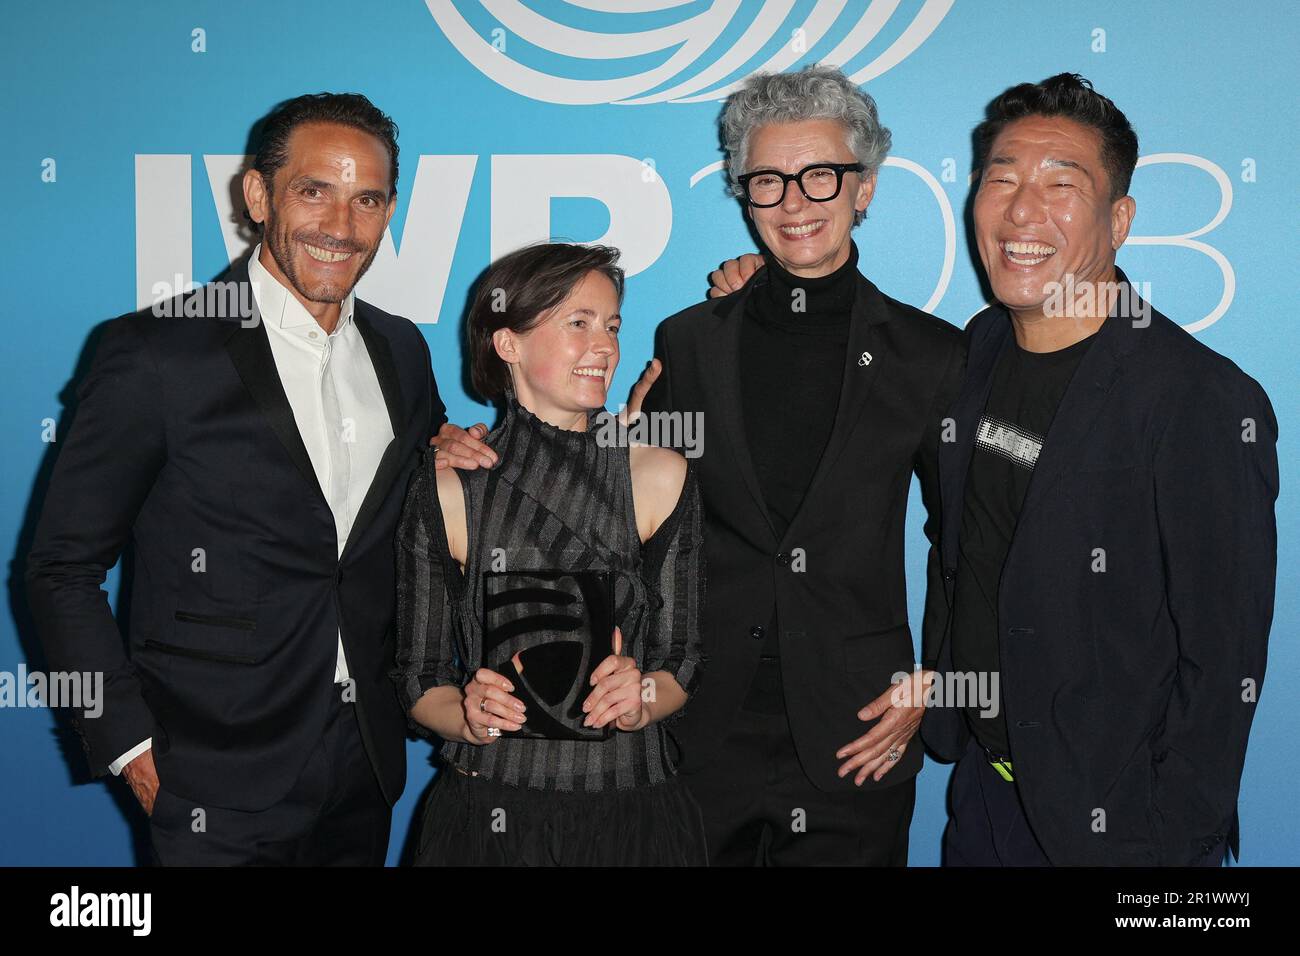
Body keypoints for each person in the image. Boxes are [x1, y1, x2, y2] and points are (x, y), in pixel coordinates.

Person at [715, 74, 1279, 866]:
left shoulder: (1198, 397)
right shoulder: (972, 351)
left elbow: (1222, 662)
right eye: (1002, 180)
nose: (1022, 211)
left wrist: (1167, 845)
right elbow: (963, 548)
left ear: (1119, 219)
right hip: (981, 797)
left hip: (1118, 826)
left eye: (1060, 185)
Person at [434, 66, 964, 866]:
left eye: (820, 176)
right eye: (767, 181)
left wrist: (940, 681)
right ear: (741, 192)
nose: (793, 202)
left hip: (856, 728)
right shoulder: (691, 340)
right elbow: (607, 496)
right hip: (692, 722)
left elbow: (973, 537)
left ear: (866, 189)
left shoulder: (931, 356)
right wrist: (457, 446)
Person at [25, 92, 444, 865]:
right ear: (258, 195)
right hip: (208, 773)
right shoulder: (156, 354)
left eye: (368, 199)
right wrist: (126, 744)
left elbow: (423, 514)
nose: (341, 227)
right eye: (313, 190)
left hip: (366, 759)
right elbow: (60, 569)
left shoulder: (402, 352)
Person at [394, 242, 707, 866]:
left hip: (634, 816)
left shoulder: (660, 473)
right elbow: (417, 674)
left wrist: (641, 695)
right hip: (488, 822)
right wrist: (465, 714)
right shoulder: (448, 485)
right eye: (579, 323)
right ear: (506, 343)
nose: (607, 346)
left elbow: (683, 659)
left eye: (612, 325)